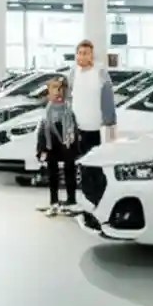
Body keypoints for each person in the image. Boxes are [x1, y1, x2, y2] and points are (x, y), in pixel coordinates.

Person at [63, 39, 117, 215]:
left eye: (85, 53)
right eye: (79, 53)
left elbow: (108, 98)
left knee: (93, 166)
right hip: (75, 126)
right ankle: (72, 199)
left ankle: (97, 200)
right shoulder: (73, 71)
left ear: (92, 55)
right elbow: (68, 96)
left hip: (94, 127)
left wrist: (110, 122)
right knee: (71, 163)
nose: (81, 56)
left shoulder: (100, 71)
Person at [35, 76, 75, 216]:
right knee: (53, 174)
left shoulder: (69, 109)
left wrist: (72, 140)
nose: (58, 92)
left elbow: (72, 128)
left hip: (66, 144)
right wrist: (41, 149)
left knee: (70, 170)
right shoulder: (47, 111)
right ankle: (54, 201)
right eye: (54, 88)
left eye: (60, 88)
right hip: (51, 145)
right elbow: (42, 131)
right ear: (49, 91)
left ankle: (71, 201)